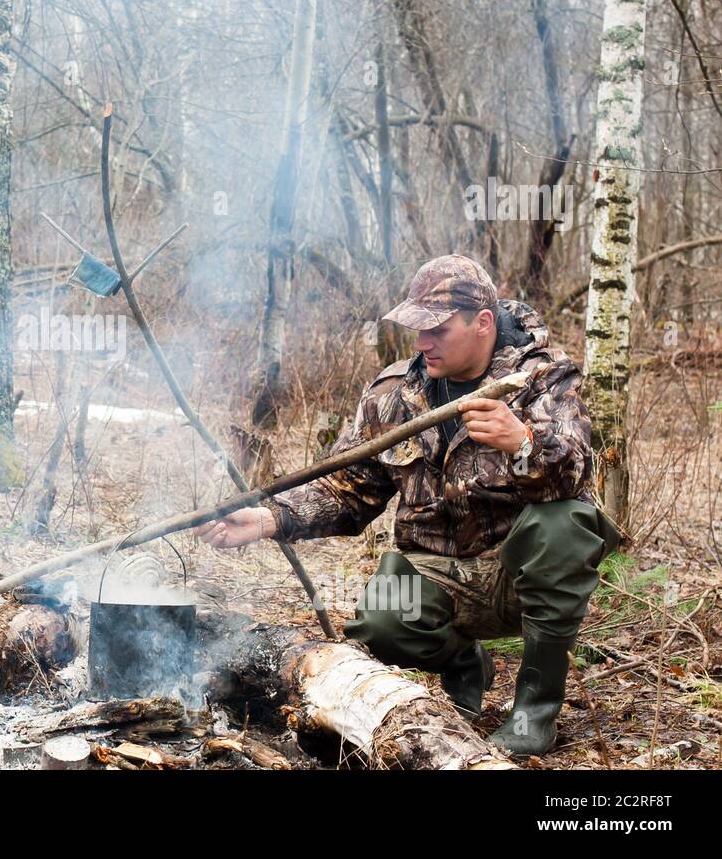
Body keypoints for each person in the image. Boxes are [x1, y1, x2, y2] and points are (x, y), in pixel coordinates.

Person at [196, 255, 623, 756]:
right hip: (436, 571)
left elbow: (579, 471)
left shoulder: (544, 378)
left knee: (564, 524)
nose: (422, 343)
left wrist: (525, 440)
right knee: (378, 625)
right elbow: (347, 487)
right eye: (417, 330)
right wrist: (270, 518)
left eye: (437, 330)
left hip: (518, 577)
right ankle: (465, 660)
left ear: (482, 323)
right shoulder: (395, 393)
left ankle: (535, 711)